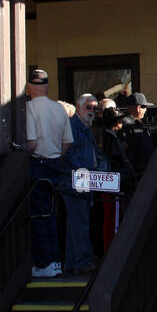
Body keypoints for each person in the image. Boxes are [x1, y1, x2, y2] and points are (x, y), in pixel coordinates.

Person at [24, 68, 72, 277]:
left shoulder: (28, 108)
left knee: (40, 215)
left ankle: (44, 263)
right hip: (57, 164)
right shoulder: (59, 108)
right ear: (46, 86)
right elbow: (68, 142)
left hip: (39, 165)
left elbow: (32, 143)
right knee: (56, 213)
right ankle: (56, 261)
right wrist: (55, 156)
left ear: (29, 87)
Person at [63, 94, 107, 274]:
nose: (92, 111)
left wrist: (104, 168)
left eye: (95, 108)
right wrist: (85, 172)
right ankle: (82, 262)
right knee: (80, 223)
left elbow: (97, 155)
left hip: (83, 181)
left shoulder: (86, 129)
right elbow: (68, 154)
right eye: (88, 107)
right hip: (75, 182)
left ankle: (71, 263)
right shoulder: (73, 126)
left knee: (75, 224)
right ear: (78, 107)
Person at [118, 92, 156, 173]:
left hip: (144, 171)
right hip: (136, 173)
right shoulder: (125, 124)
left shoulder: (137, 123)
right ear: (138, 108)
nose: (146, 110)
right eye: (144, 107)